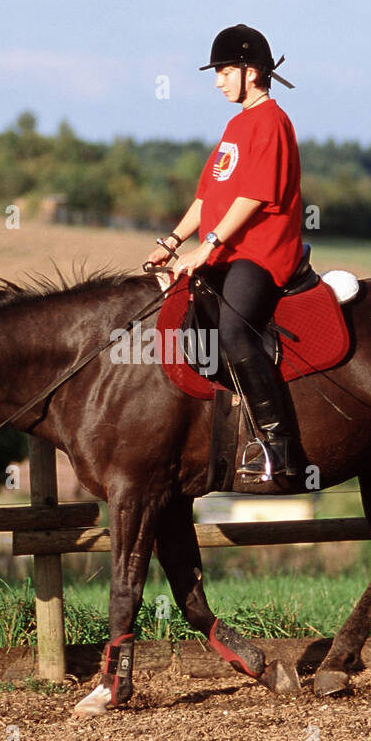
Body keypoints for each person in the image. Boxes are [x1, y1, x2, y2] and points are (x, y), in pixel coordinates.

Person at [146, 24, 303, 480]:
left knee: (234, 333)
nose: (217, 81)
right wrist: (172, 243)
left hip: (262, 252)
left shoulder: (272, 122)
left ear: (250, 72)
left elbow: (253, 198)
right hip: (225, 252)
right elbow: (206, 199)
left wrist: (207, 246)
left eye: (223, 71)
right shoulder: (236, 125)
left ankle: (280, 449)